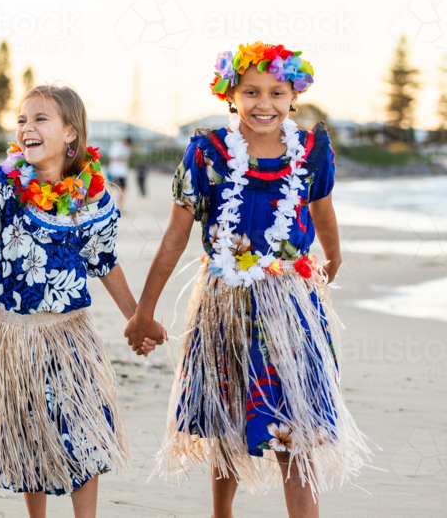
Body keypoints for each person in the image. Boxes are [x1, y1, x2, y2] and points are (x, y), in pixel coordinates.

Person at [125, 43, 371, 517]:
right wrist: (144, 311)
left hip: (289, 308)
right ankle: (222, 513)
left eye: (277, 92)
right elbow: (175, 237)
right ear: (230, 94)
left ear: (294, 94)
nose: (265, 103)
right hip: (226, 303)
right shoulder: (207, 154)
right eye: (251, 91)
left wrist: (332, 261)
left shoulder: (311, 154)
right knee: (226, 418)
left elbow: (323, 214)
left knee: (293, 427)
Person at [0, 84, 160, 518]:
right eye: (22, 120)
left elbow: (105, 263)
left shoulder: (93, 197)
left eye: (40, 119)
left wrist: (137, 318)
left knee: (83, 433)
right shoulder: (4, 186)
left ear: (70, 133)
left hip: (70, 334)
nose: (27, 128)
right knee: (26, 433)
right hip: (13, 335)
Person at [106, 136, 131, 210]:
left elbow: (126, 161)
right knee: (109, 190)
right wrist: (121, 158)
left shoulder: (127, 149)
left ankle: (120, 206)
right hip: (114, 172)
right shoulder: (116, 146)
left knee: (123, 190)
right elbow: (111, 158)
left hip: (122, 173)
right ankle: (108, 206)